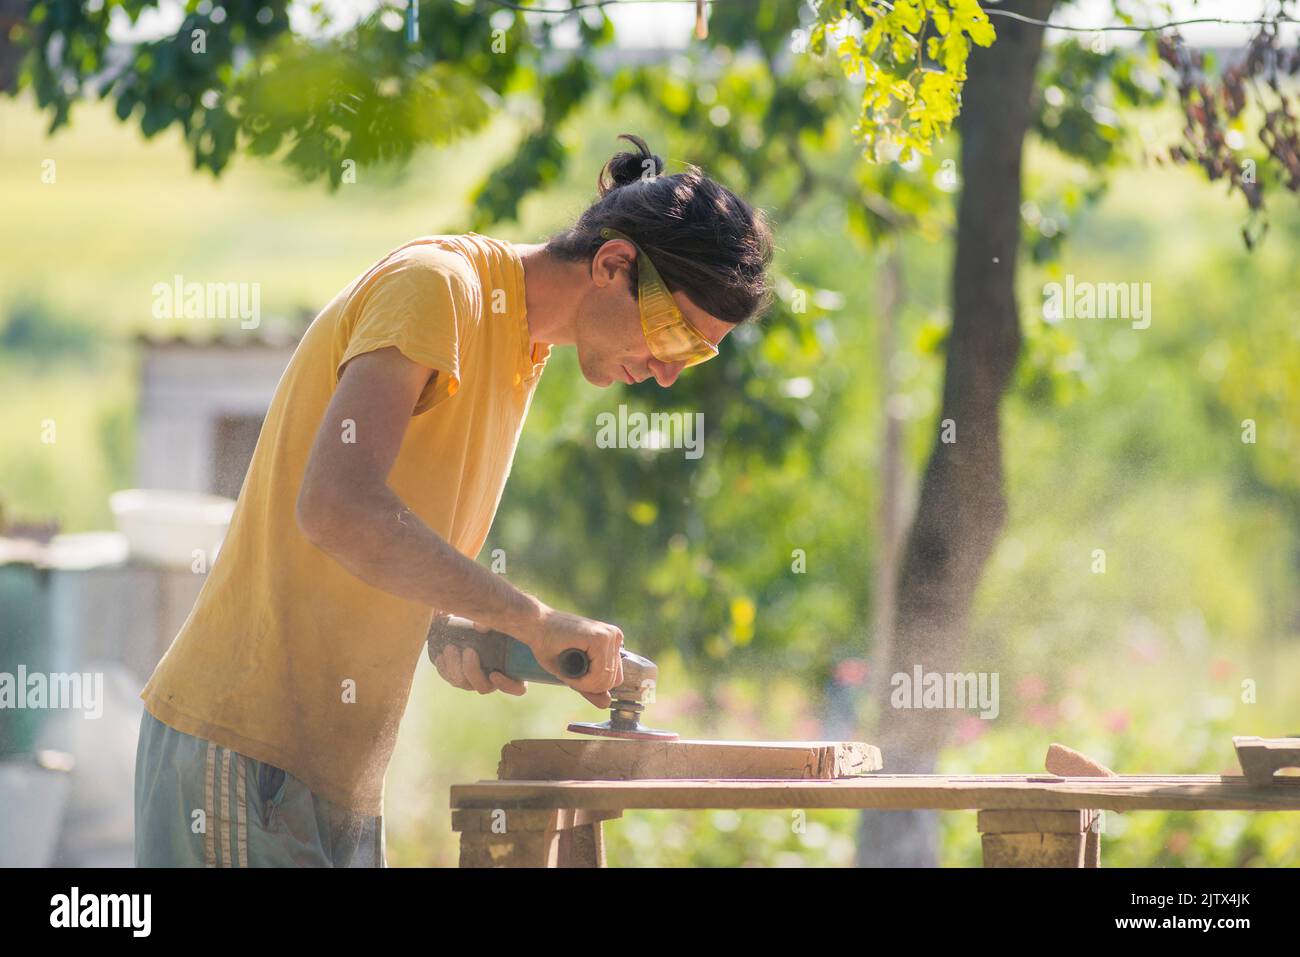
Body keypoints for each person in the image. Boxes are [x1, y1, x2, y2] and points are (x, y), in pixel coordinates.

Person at [133, 133, 775, 866]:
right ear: (613, 263)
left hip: (332, 779)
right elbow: (337, 508)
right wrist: (527, 617)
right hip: (244, 749)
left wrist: (451, 630)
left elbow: (374, 555)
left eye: (694, 352)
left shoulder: (521, 353)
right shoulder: (438, 288)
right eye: (672, 331)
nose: (668, 371)